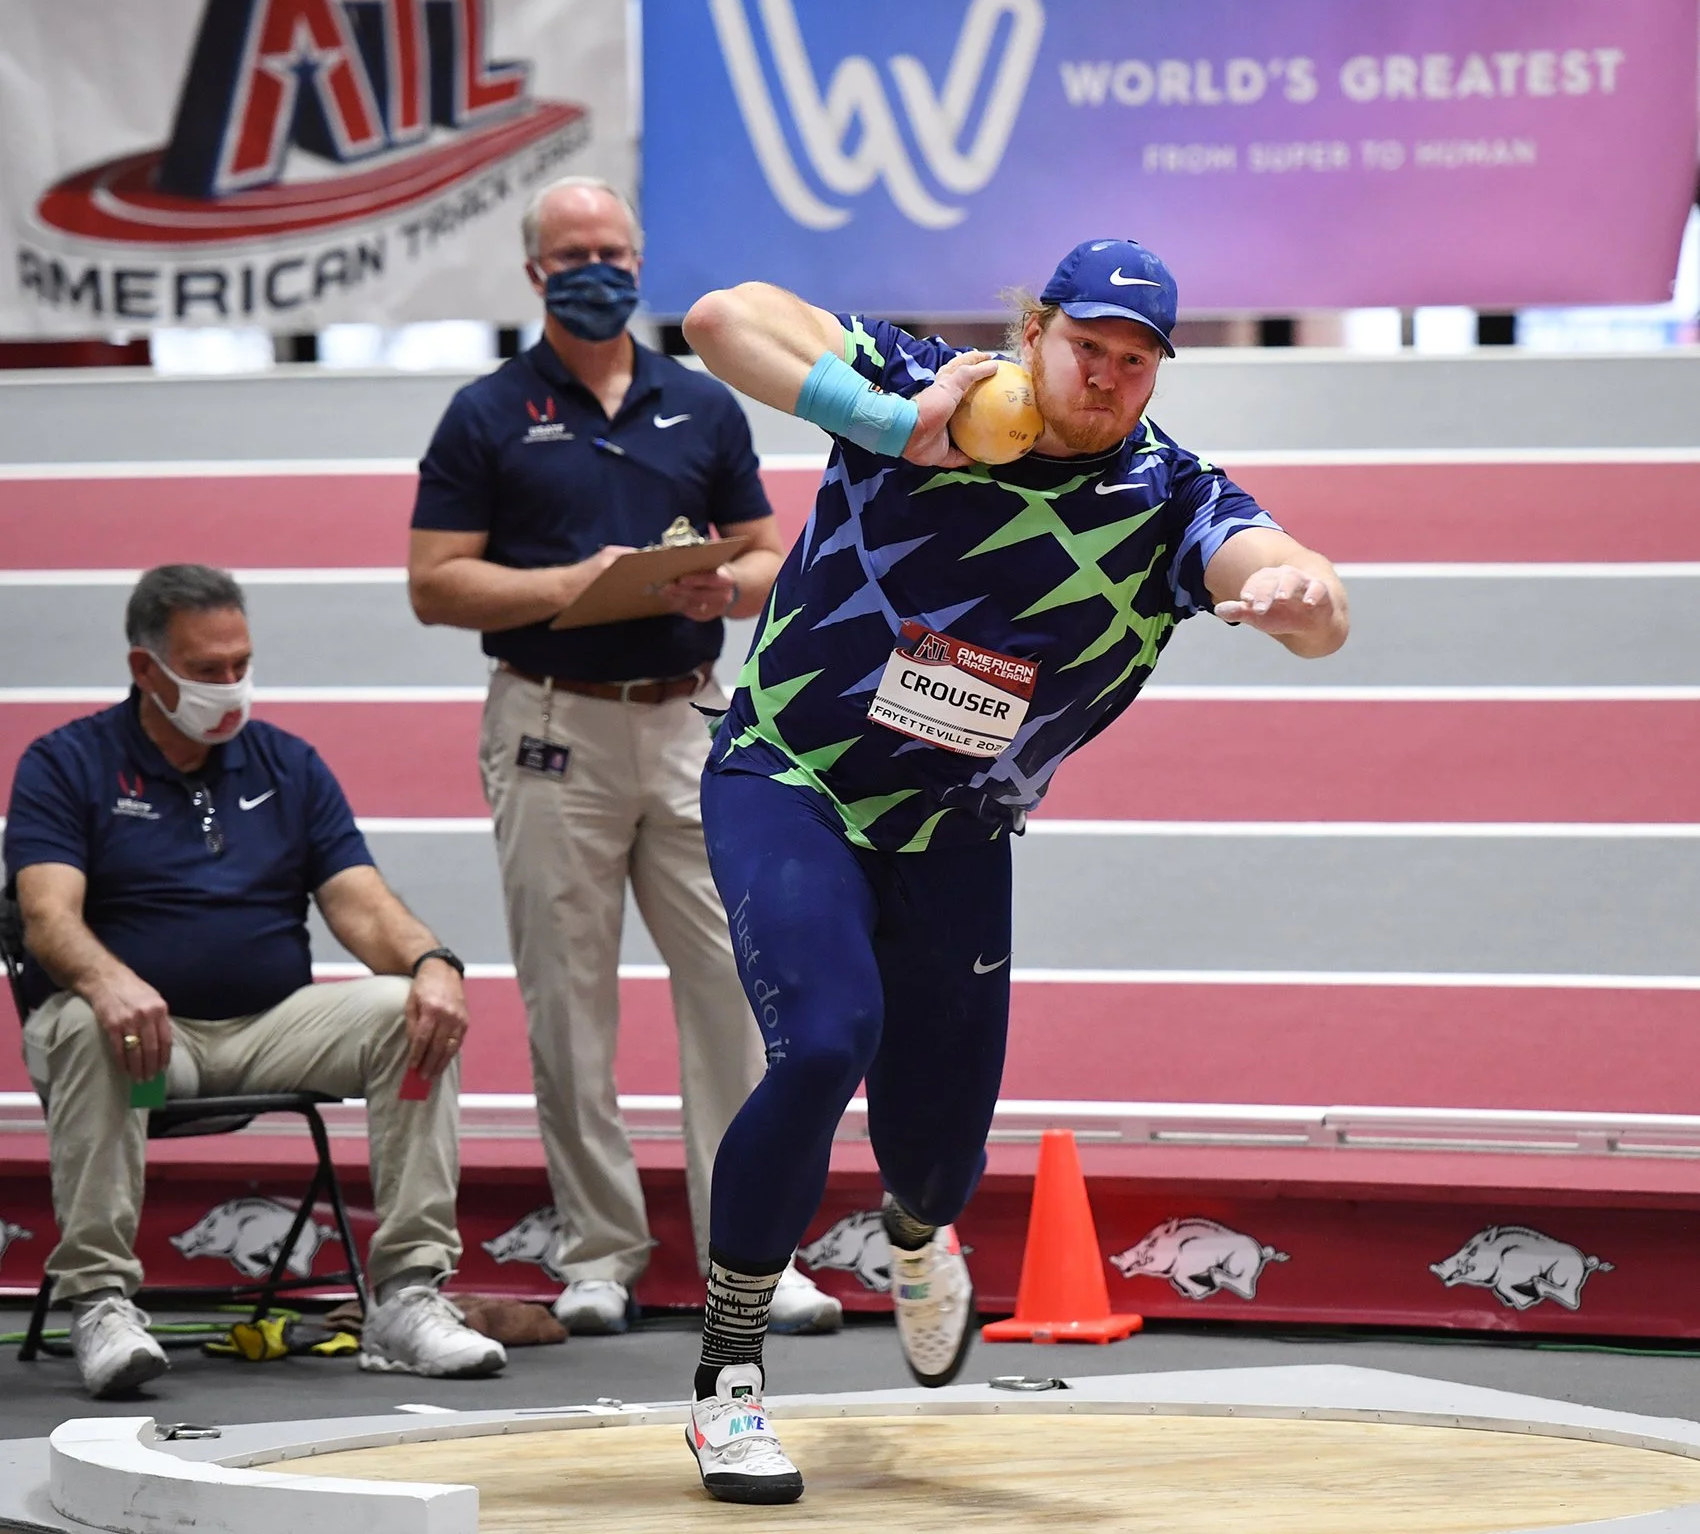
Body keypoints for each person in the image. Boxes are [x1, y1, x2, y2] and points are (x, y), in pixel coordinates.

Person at [675, 238, 1351, 1503]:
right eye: (1085, 345)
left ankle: (918, 1239)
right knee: (825, 1041)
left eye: (1133, 362)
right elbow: (721, 315)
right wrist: (888, 423)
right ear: (1033, 331)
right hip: (790, 780)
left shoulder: (1165, 496)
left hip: (954, 834)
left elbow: (1306, 601)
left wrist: (1293, 595)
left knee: (936, 1155)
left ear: (1156, 377)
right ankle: (728, 1378)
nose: (1103, 377)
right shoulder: (925, 385)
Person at [407, 175, 841, 1335]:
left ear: (640, 261)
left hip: (690, 719)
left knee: (735, 993)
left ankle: (752, 1255)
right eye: (573, 252)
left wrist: (722, 582)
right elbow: (434, 582)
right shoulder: (486, 412)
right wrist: (578, 586)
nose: (598, 267)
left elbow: (768, 557)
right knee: (567, 998)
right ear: (536, 272)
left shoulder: (699, 407)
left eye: (614, 249)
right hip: (551, 723)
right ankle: (597, 1249)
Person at [3, 564, 506, 1399]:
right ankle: (99, 1301)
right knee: (100, 1024)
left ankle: (407, 1298)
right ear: (145, 670)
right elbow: (49, 918)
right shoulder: (67, 764)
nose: (231, 686)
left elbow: (363, 906)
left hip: (270, 1027)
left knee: (408, 1014)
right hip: (145, 1046)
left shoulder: (285, 763)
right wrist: (109, 981)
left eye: (241, 663)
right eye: (207, 670)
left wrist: (432, 964)